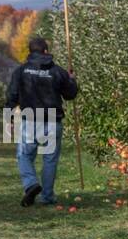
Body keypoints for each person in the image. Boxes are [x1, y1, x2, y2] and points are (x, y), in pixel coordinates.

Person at [5, 36, 78, 207]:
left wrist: (8, 117)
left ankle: (31, 184)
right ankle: (47, 197)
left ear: (30, 52)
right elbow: (70, 94)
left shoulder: (21, 71)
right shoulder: (58, 71)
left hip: (30, 121)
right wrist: (72, 79)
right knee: (49, 160)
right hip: (53, 121)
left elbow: (12, 95)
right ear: (46, 51)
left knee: (24, 155)